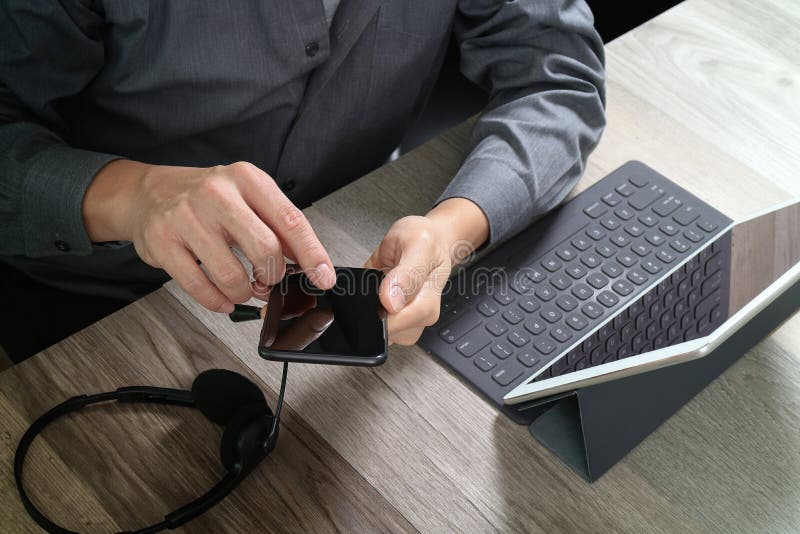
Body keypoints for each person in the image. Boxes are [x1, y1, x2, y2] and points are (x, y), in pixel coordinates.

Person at [0, 0, 605, 356]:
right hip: (94, 301)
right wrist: (136, 198)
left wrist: (451, 231)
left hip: (341, 265)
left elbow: (557, 78)